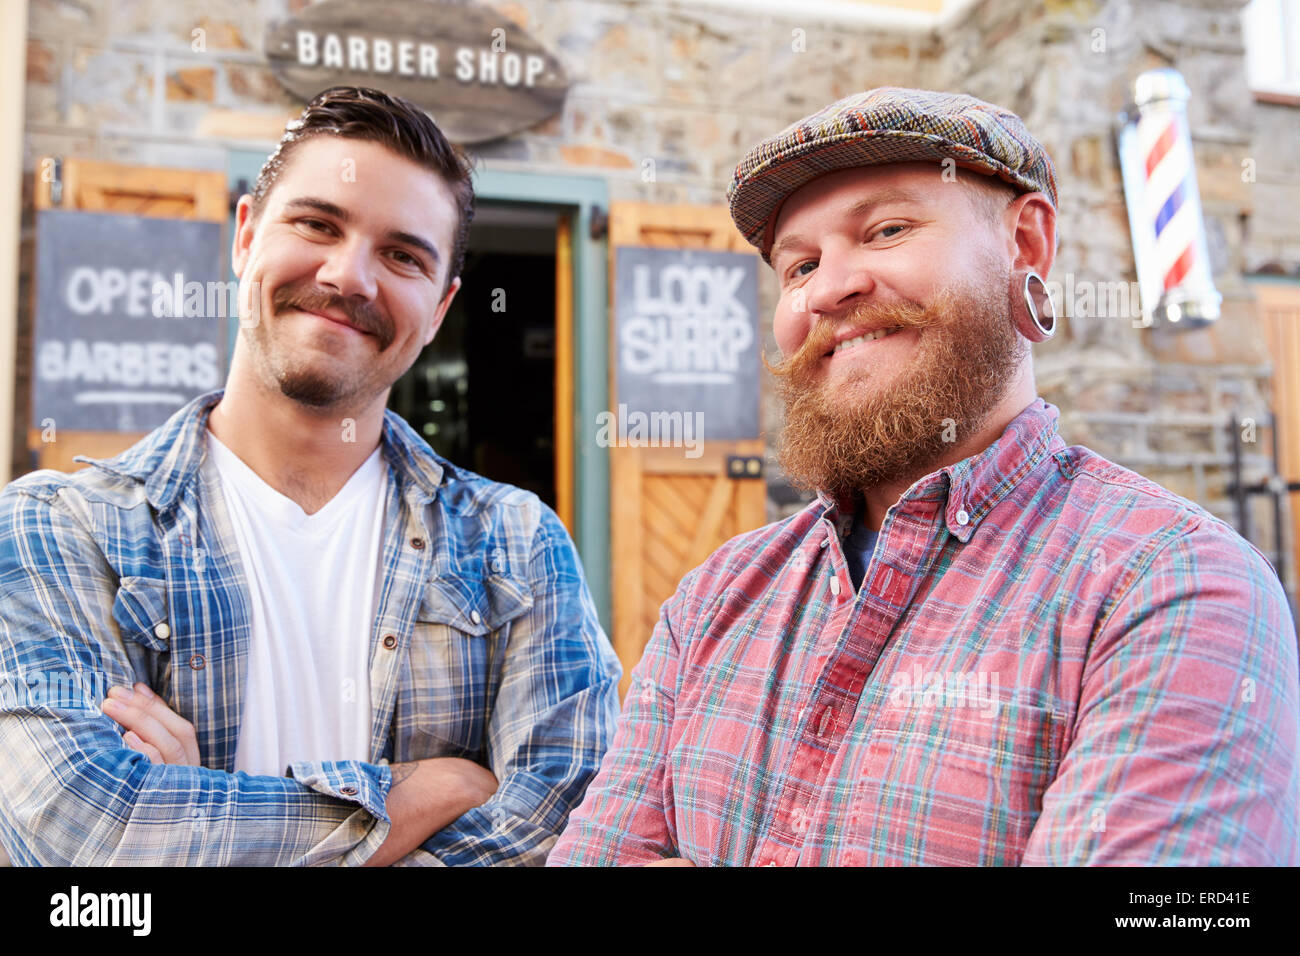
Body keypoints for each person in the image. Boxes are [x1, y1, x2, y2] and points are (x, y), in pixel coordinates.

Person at [549, 87, 1299, 866]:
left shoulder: (1174, 584)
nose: (829, 289)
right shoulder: (713, 599)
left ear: (1027, 244)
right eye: (799, 264)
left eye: (887, 229)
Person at [0, 86, 620, 866]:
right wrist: (426, 791)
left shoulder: (515, 544)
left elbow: (571, 828)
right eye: (317, 224)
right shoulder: (59, 528)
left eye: (402, 255)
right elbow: (86, 834)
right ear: (246, 235)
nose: (348, 275)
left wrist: (200, 823)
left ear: (438, 309)